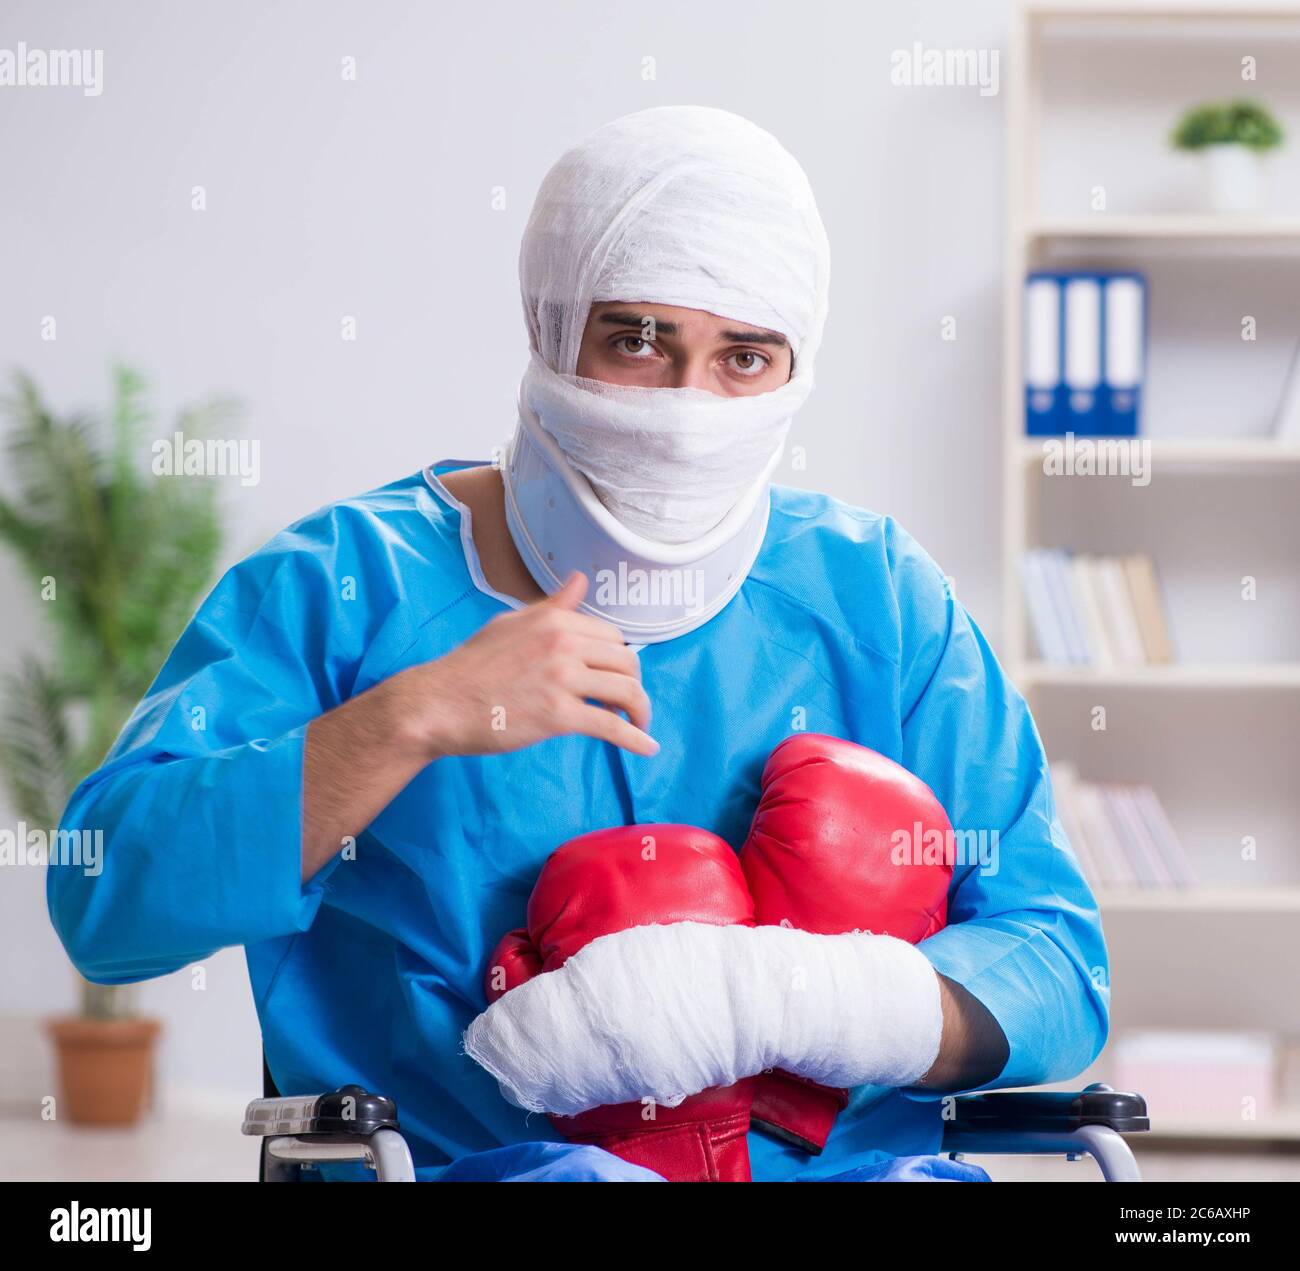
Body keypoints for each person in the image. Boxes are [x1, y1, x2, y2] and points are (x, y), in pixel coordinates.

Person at [48, 106, 1108, 1182]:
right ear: (552, 327)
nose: (689, 407)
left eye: (744, 355)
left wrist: (803, 999)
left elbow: (1056, 958)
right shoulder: (344, 587)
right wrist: (404, 718)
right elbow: (107, 905)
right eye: (638, 339)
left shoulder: (879, 600)